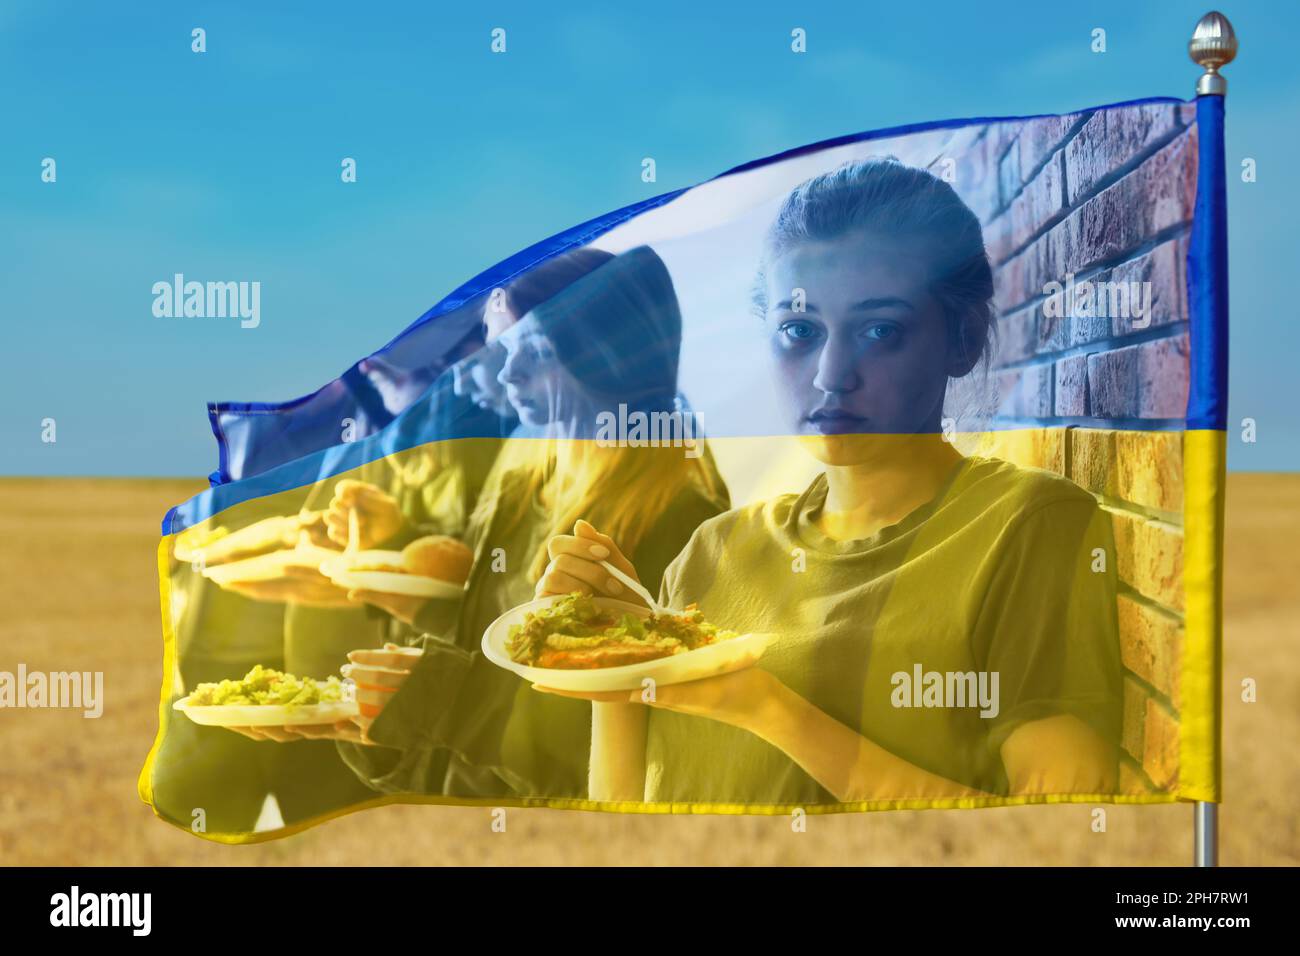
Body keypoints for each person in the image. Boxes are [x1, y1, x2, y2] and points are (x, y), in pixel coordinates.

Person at [531, 158, 1123, 806]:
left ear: (963, 338)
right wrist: (619, 656)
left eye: (878, 329)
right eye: (800, 331)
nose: (832, 373)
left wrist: (766, 708)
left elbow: (1063, 825)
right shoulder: (711, 552)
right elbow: (625, 825)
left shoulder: (1027, 525)